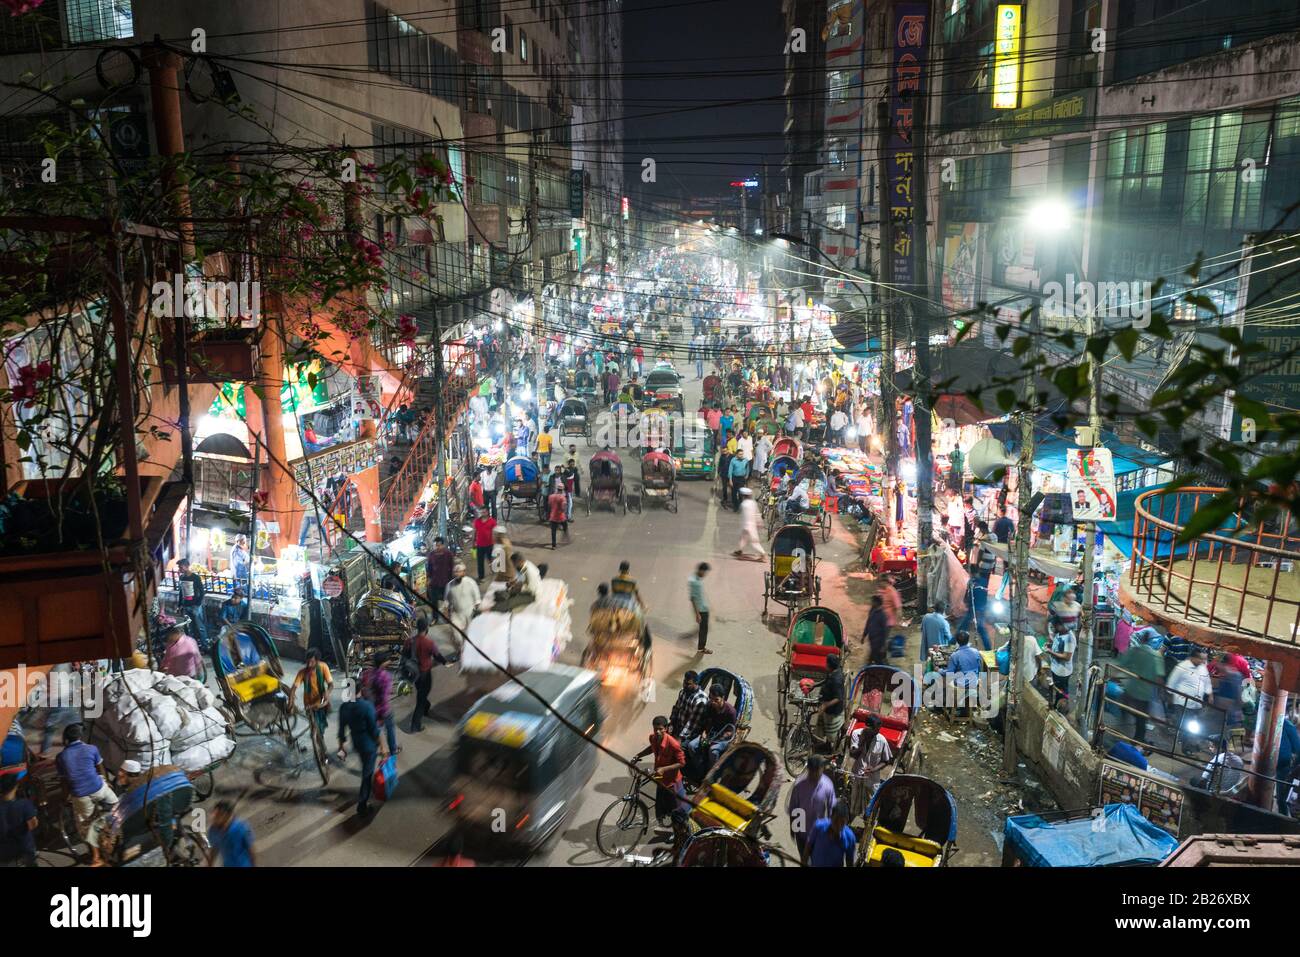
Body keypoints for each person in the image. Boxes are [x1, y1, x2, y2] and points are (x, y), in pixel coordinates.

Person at [55, 724, 118, 867]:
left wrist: (64, 799)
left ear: (65, 739)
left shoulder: (61, 757)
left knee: (86, 825)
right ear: (80, 737)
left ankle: (95, 855)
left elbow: (64, 782)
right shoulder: (91, 748)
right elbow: (100, 768)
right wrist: (107, 783)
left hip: (81, 795)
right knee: (117, 807)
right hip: (99, 788)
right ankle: (118, 834)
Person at [632, 716, 688, 837]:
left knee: (676, 810)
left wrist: (664, 769)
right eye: (655, 729)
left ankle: (677, 833)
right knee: (660, 802)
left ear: (666, 729)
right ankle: (664, 824)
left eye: (660, 729)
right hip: (660, 778)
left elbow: (682, 763)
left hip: (672, 781)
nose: (657, 732)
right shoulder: (653, 738)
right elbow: (651, 748)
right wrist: (638, 755)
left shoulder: (673, 744)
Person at [336, 683, 381, 815]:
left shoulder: (344, 707)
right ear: (360, 690)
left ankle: (366, 793)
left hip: (356, 744)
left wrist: (341, 748)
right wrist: (383, 746)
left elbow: (341, 732)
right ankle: (362, 805)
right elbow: (374, 730)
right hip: (369, 745)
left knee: (366, 769)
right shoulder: (366, 706)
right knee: (367, 774)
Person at [1115, 630, 1165, 745]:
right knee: (1142, 718)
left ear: (1142, 639)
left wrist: (1113, 676)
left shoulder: (1134, 650)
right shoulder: (1156, 656)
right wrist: (1160, 692)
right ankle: (1138, 739)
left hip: (1132, 689)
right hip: (1146, 693)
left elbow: (1121, 664)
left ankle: (1122, 731)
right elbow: (1159, 678)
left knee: (1124, 707)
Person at [683, 684, 736, 780]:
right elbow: (707, 722)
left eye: (716, 700)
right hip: (710, 733)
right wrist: (704, 733)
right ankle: (700, 769)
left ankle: (711, 775)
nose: (713, 702)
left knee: (713, 751)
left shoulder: (731, 712)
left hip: (723, 737)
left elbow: (730, 731)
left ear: (723, 698)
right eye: (711, 699)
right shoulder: (709, 706)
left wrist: (715, 739)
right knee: (691, 746)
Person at [785, 756, 836, 856]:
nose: (816, 774)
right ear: (809, 769)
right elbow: (793, 807)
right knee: (804, 859)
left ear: (822, 769)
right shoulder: (799, 785)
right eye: (813, 771)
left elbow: (832, 809)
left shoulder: (827, 785)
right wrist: (793, 829)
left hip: (818, 833)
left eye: (818, 771)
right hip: (802, 832)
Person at [1166, 648, 1212, 755]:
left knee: (1191, 724)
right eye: (1201, 659)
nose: (1202, 661)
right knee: (1186, 724)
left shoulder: (1202, 668)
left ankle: (1186, 740)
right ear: (1193, 657)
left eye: (1204, 659)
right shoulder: (1182, 667)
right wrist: (1170, 696)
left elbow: (1207, 682)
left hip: (1196, 703)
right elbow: (1171, 683)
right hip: (1182, 702)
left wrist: (1210, 694)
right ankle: (1186, 747)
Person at [846, 713, 891, 820]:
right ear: (868, 727)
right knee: (854, 805)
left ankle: (867, 826)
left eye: (879, 729)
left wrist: (874, 769)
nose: (877, 732)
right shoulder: (856, 734)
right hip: (858, 776)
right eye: (875, 729)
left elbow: (887, 760)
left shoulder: (882, 740)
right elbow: (853, 754)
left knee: (870, 808)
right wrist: (863, 741)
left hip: (872, 780)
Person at [406, 617, 447, 733]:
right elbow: (437, 655)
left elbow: (405, 655)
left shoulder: (409, 641)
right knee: (421, 698)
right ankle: (415, 726)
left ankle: (426, 708)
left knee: (421, 693)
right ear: (426, 628)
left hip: (414, 674)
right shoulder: (429, 643)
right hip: (425, 673)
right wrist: (445, 662)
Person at [361, 651, 399, 757]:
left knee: (375, 730)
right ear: (383, 663)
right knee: (390, 728)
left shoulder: (368, 673)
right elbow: (384, 698)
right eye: (387, 660)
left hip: (370, 708)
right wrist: (382, 714)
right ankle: (392, 749)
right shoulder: (385, 677)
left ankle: (374, 748)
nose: (389, 662)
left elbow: (363, 690)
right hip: (382, 710)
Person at [290, 649, 334, 737]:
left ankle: (319, 737)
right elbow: (294, 687)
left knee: (321, 723)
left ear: (317, 661)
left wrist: (327, 692)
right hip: (308, 703)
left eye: (312, 662)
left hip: (321, 701)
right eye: (308, 662)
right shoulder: (302, 672)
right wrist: (290, 700)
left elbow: (331, 684)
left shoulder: (323, 667)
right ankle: (317, 739)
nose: (309, 665)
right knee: (314, 724)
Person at [0, 773, 37, 867]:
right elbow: (33, 824)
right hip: (24, 848)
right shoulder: (24, 804)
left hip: (4, 852)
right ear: (15, 787)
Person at [804, 801, 856, 868]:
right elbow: (808, 847)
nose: (839, 826)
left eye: (842, 822)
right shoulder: (819, 826)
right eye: (836, 820)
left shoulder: (850, 837)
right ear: (831, 817)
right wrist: (803, 862)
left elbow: (850, 862)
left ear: (846, 821)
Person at [206, 800, 256, 867]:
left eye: (218, 815)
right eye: (215, 814)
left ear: (227, 815)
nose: (214, 817)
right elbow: (213, 851)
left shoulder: (241, 827)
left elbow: (251, 850)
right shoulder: (213, 831)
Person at [1044, 618, 1077, 710]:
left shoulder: (1070, 638)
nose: (1053, 628)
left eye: (1055, 626)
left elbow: (1067, 657)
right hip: (1056, 668)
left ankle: (1062, 708)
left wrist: (1050, 652)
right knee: (1058, 689)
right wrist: (1050, 646)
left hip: (1063, 672)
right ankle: (1058, 705)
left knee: (1062, 692)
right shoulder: (1060, 633)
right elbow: (1058, 646)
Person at [175, 558, 208, 649]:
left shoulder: (195, 577)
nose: (179, 569)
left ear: (186, 566)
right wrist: (179, 605)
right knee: (189, 628)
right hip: (186, 606)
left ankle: (205, 645)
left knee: (200, 627)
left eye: (180, 567)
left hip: (195, 606)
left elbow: (202, 592)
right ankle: (193, 646)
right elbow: (181, 592)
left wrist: (197, 605)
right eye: (179, 567)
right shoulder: (182, 577)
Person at [669, 671, 709, 744]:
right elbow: (676, 708)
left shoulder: (700, 700)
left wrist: (680, 738)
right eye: (684, 682)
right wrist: (671, 723)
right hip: (679, 726)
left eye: (688, 684)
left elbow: (692, 723)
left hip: (691, 732)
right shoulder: (683, 692)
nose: (684, 685)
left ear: (696, 683)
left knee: (678, 749)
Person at [445, 562, 481, 640]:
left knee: (470, 636)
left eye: (459, 571)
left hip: (470, 614)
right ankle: (461, 649)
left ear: (464, 572)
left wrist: (476, 613)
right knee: (457, 635)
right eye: (456, 572)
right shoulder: (449, 585)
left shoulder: (471, 583)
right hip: (456, 615)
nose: (457, 574)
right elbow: (447, 602)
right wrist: (447, 614)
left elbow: (477, 600)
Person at [730, 487, 767, 560]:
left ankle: (763, 554)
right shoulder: (753, 503)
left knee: (754, 541)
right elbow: (757, 514)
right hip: (751, 525)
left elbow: (745, 516)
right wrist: (759, 522)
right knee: (744, 539)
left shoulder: (744, 504)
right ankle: (740, 550)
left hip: (747, 525)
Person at [819, 654, 846, 743]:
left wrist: (825, 705)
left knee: (832, 734)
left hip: (834, 710)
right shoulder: (832, 672)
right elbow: (825, 681)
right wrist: (813, 685)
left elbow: (838, 697)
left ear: (830, 665)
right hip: (828, 707)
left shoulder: (836, 679)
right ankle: (827, 744)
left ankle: (832, 749)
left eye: (826, 663)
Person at [688, 562, 711, 654]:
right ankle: (701, 648)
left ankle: (701, 645)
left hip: (704, 607)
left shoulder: (697, 578)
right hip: (701, 610)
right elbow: (692, 598)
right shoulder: (694, 582)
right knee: (703, 630)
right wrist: (697, 614)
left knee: (704, 628)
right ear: (701, 570)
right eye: (704, 572)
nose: (705, 574)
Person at [426, 536, 454, 609]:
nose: (437, 547)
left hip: (445, 581)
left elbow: (451, 567)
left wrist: (451, 580)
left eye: (439, 545)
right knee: (434, 601)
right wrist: (428, 579)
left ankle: (449, 614)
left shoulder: (448, 554)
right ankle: (435, 618)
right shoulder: (431, 555)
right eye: (435, 546)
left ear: (443, 545)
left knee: (448, 600)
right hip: (434, 582)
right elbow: (429, 568)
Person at [472, 508, 497, 581]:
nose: (483, 513)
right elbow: (475, 532)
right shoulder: (477, 521)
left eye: (484, 512)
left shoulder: (492, 521)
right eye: (482, 512)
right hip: (479, 545)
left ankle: (494, 570)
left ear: (488, 512)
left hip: (490, 545)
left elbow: (495, 533)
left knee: (491, 559)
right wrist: (473, 542)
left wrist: (496, 543)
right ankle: (481, 576)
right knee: (480, 562)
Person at [864, 595, 889, 665]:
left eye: (873, 601)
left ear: (877, 603)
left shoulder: (882, 615)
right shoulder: (872, 611)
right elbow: (868, 623)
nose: (871, 603)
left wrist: (883, 645)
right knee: (874, 654)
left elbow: (884, 631)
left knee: (878, 658)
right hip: (872, 639)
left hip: (878, 641)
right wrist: (864, 635)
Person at [547, 483, 569, 549]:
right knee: (565, 527)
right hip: (561, 517)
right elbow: (563, 508)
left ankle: (553, 545)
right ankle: (565, 538)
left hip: (553, 516)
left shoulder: (551, 496)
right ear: (562, 490)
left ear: (557, 489)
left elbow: (549, 506)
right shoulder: (563, 498)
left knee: (553, 531)